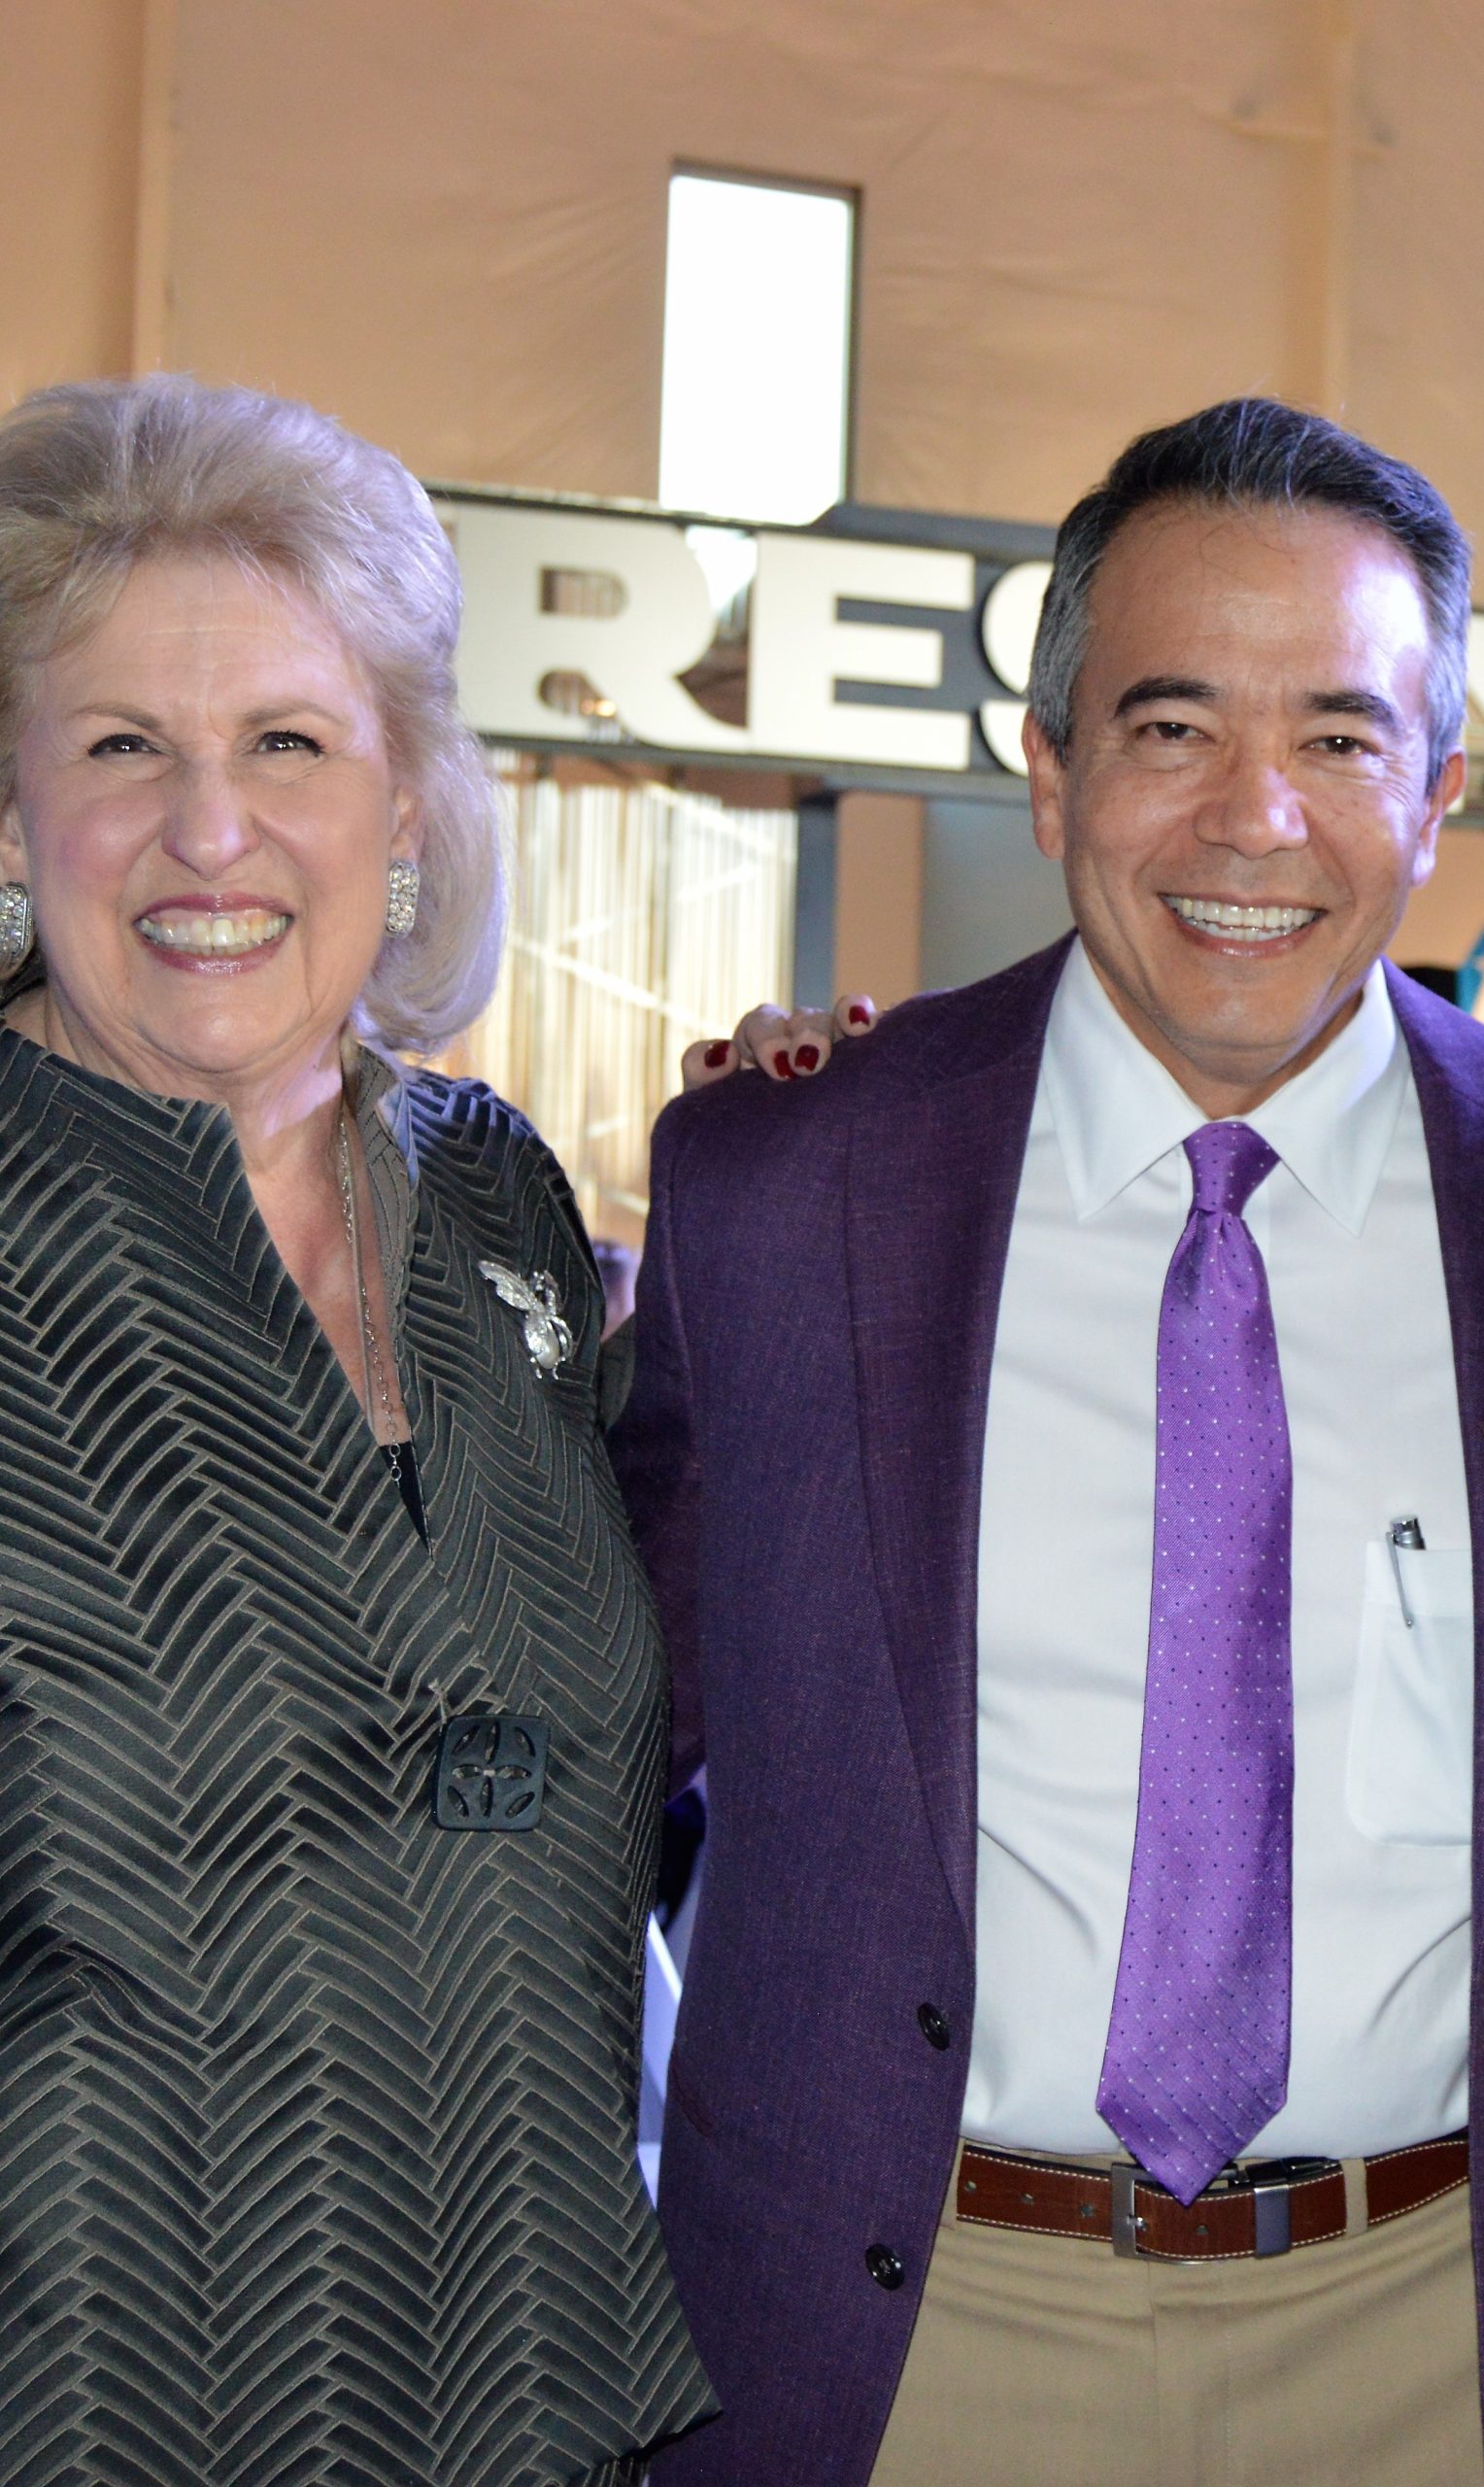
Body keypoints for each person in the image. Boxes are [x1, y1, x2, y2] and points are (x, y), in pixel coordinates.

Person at [608, 396, 1484, 2487]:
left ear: (1436, 795)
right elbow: (596, 1747)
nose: (1255, 817)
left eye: (1337, 734)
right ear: (1044, 769)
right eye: (1168, 729)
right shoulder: (781, 1188)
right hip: (907, 2327)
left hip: (1451, 2334)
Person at [0, 374, 713, 2483]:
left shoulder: (497, 1194)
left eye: (286, 744)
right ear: (17, 803)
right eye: (123, 747)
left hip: (536, 2397)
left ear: (404, 804)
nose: (207, 834)